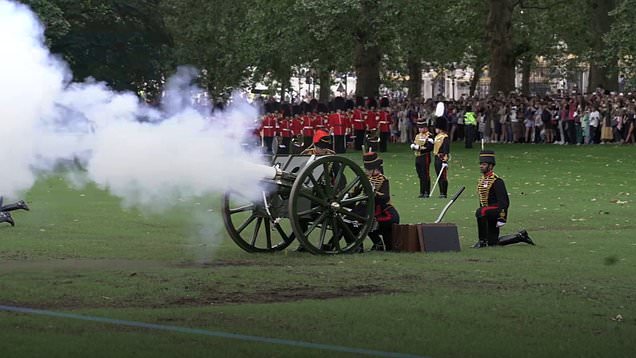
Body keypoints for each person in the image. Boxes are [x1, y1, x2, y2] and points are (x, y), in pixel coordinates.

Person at [473, 150, 534, 248]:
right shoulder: (481, 181)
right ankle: (520, 236)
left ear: (491, 166)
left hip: (497, 210)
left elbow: (504, 202)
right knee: (493, 242)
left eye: (484, 164)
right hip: (488, 213)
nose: (481, 166)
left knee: (481, 211)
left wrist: (502, 217)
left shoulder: (497, 181)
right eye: (481, 164)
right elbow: (482, 200)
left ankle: (482, 241)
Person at [363, 152, 399, 251]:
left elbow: (385, 197)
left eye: (368, 169)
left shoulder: (383, 180)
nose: (367, 171)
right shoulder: (365, 179)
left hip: (385, 213)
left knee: (369, 223)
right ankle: (377, 243)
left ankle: (380, 245)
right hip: (372, 210)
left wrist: (374, 193)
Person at [410, 119, 434, 198]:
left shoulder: (429, 135)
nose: (420, 129)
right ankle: (422, 191)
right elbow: (415, 143)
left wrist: (419, 148)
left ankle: (427, 191)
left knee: (425, 174)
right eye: (419, 127)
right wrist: (413, 146)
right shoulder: (417, 135)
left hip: (425, 156)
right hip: (418, 157)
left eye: (422, 127)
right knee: (420, 175)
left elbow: (429, 147)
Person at [433, 116, 450, 198]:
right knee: (438, 176)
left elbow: (446, 149)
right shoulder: (437, 137)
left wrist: (445, 159)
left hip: (441, 157)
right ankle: (441, 192)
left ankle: (444, 192)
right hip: (436, 157)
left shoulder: (444, 137)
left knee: (443, 176)